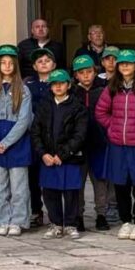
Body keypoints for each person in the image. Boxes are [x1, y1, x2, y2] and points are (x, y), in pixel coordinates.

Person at [95, 49, 135, 241]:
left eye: (129, 63)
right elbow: (100, 112)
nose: (125, 66)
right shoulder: (111, 88)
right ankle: (125, 221)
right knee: (121, 184)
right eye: (121, 63)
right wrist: (112, 127)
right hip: (118, 145)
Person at [0, 45, 34, 237]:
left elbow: (24, 120)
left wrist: (7, 142)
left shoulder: (24, 90)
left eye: (11, 63)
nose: (7, 66)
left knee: (19, 186)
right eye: (4, 63)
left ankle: (18, 221)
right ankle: (1, 220)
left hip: (16, 143)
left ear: (15, 65)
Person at [32, 69, 88, 240]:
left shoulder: (78, 107)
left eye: (61, 83)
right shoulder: (44, 106)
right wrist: (43, 154)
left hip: (69, 158)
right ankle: (56, 223)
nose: (58, 86)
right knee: (50, 192)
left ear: (68, 85)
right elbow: (35, 132)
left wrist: (63, 154)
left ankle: (71, 224)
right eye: (54, 84)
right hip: (48, 158)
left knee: (71, 192)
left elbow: (80, 135)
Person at [71, 55, 110, 232]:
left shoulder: (104, 90)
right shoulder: (71, 92)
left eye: (89, 72)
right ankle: (78, 215)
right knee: (77, 181)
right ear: (76, 75)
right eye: (81, 73)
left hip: (99, 143)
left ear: (95, 72)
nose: (86, 76)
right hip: (78, 145)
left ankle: (101, 214)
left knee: (100, 181)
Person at [25, 48, 57, 229]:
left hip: (53, 136)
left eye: (47, 60)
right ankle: (36, 211)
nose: (43, 63)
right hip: (33, 136)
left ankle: (55, 212)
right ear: (34, 66)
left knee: (51, 176)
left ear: (53, 64)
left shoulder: (59, 84)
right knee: (33, 177)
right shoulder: (28, 87)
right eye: (40, 61)